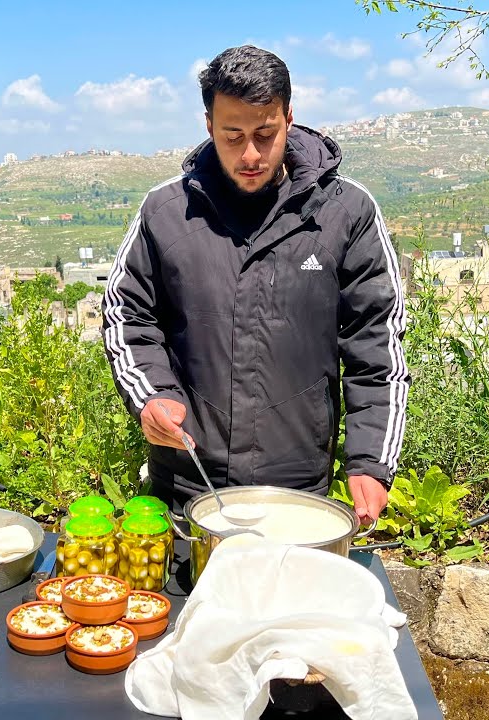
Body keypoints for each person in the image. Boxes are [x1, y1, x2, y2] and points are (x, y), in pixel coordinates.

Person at [102, 45, 408, 525]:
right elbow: (127, 315)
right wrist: (151, 394)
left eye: (266, 134)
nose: (250, 155)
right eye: (232, 136)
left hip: (297, 492)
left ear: (290, 116)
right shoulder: (165, 212)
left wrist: (370, 460)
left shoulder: (346, 212)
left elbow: (377, 346)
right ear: (208, 126)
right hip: (186, 485)